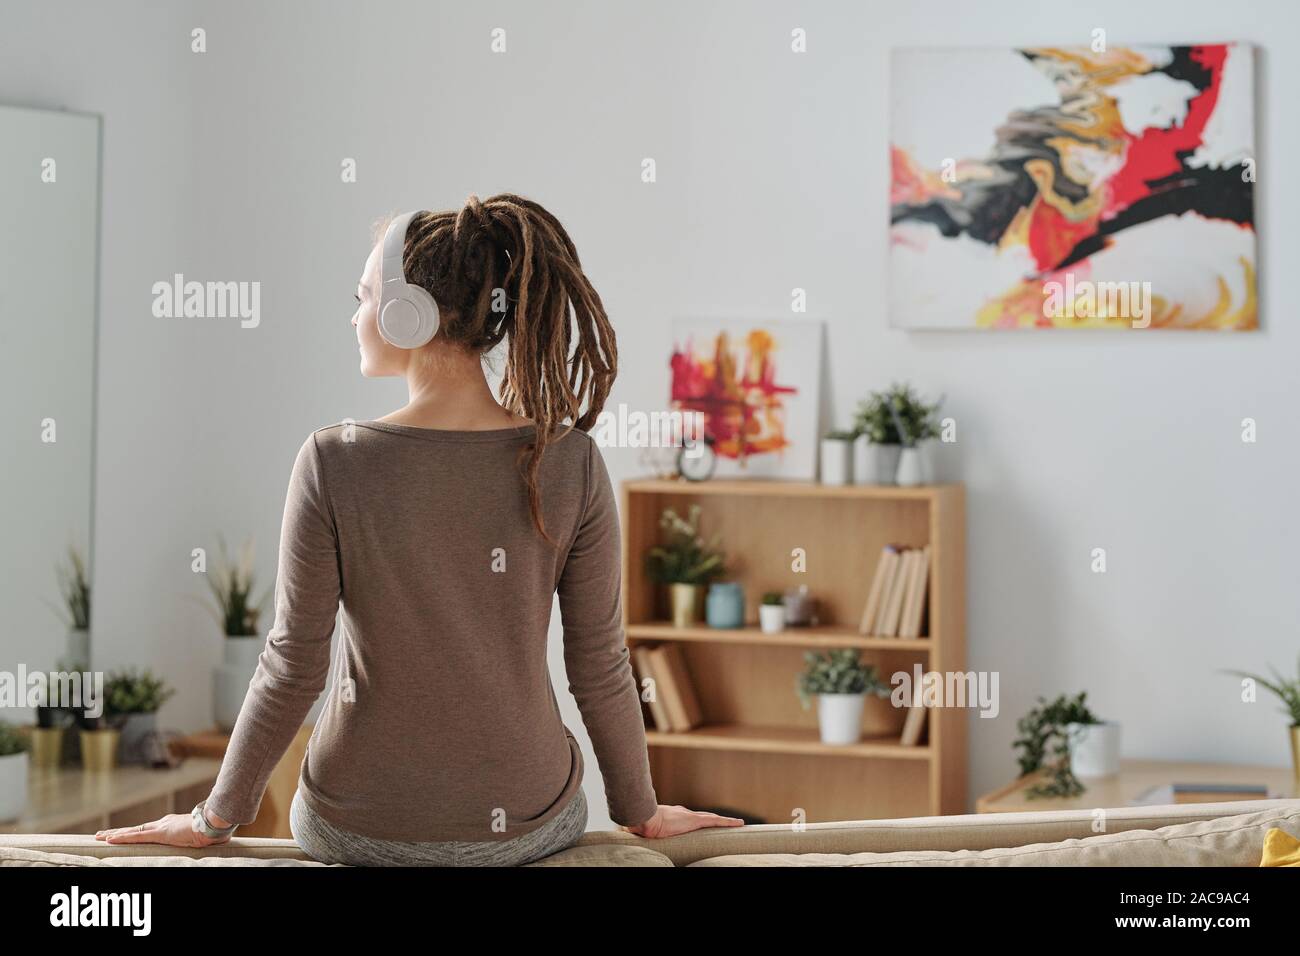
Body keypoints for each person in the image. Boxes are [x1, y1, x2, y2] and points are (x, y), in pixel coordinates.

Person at [95, 193, 743, 865]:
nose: (354, 316)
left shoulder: (332, 459)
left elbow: (293, 666)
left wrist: (213, 818)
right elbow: (600, 664)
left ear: (408, 316)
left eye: (365, 296)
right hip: (524, 828)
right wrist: (641, 811)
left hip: (356, 831)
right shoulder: (571, 462)